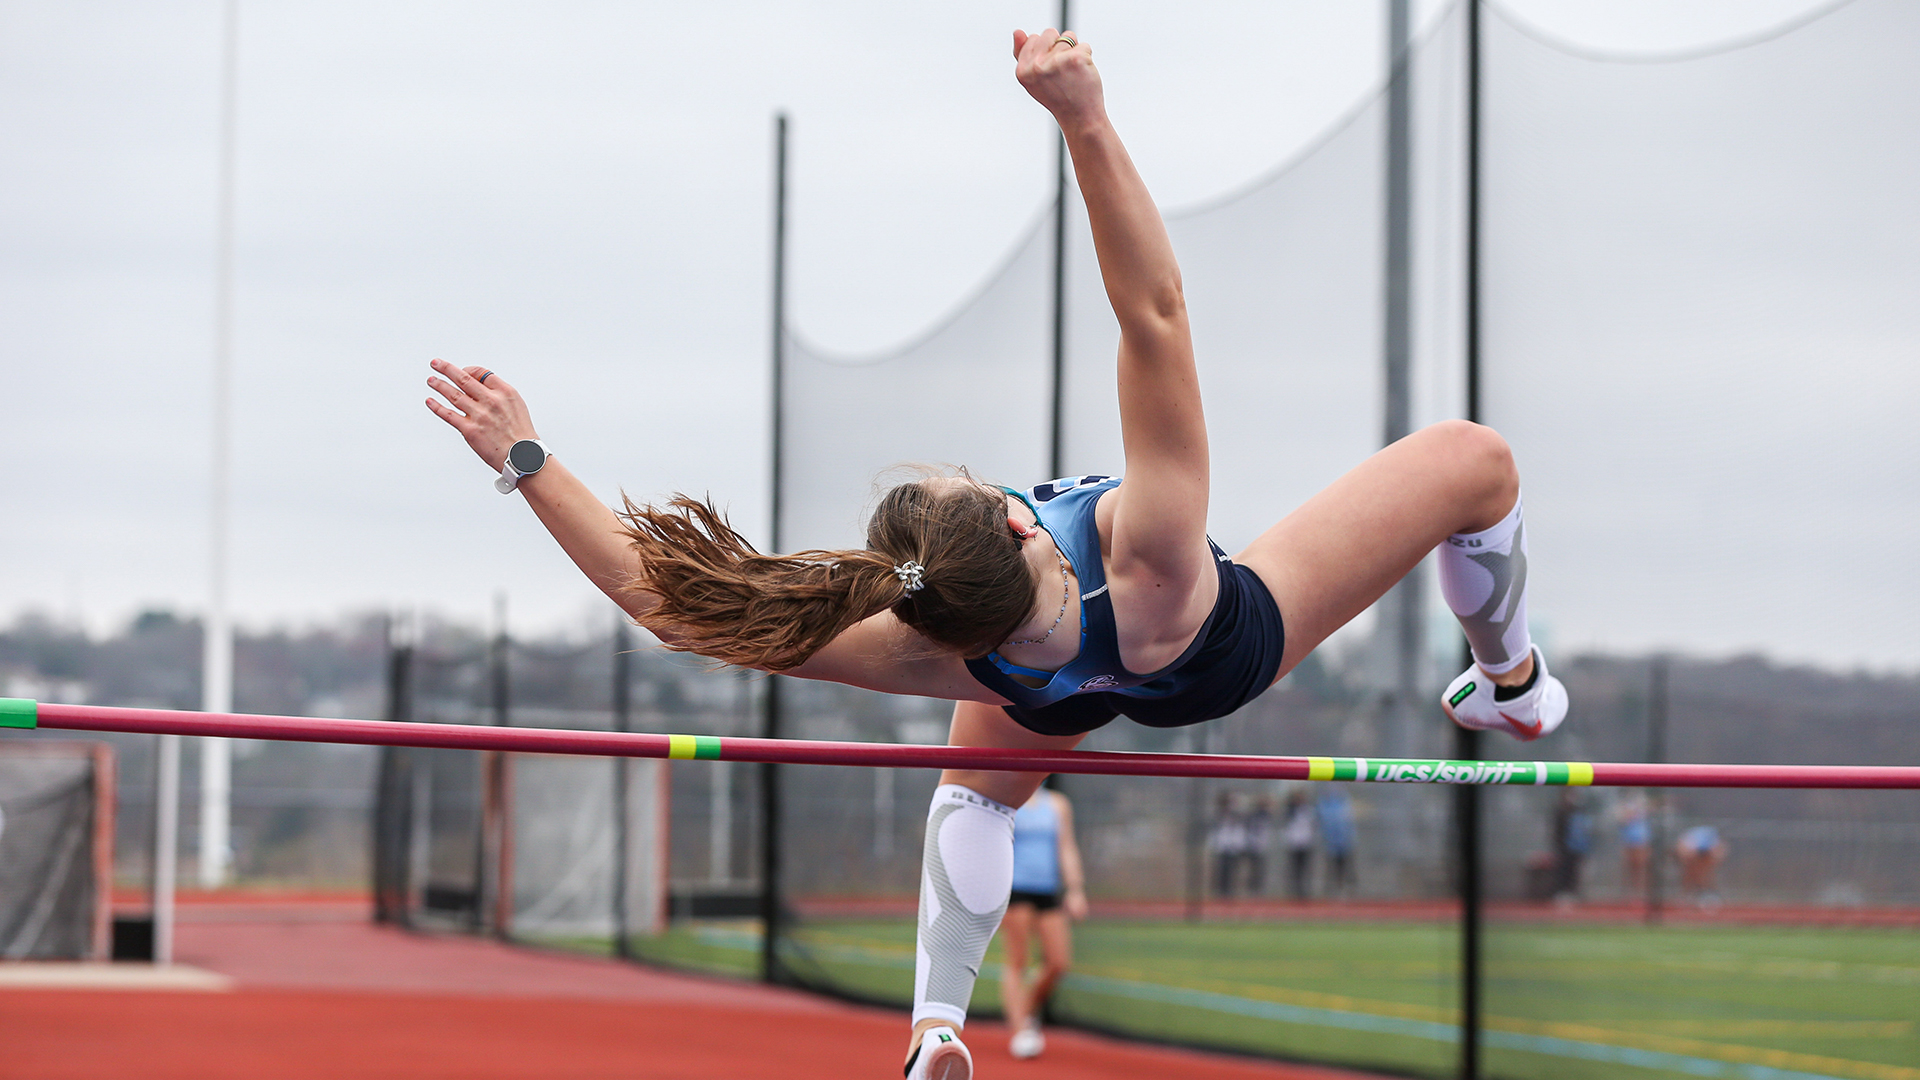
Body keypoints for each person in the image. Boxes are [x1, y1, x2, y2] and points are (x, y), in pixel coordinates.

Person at [424, 28, 1567, 1080]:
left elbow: (665, 605)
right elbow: (1155, 313)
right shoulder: (1147, 549)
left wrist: (527, 458)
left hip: (1039, 694)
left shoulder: (931, 649)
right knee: (1473, 462)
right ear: (1020, 517)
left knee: (974, 797)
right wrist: (1086, 122)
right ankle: (1512, 686)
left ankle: (936, 1023)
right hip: (1215, 652)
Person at [1000, 783, 1087, 1060]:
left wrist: (1075, 889)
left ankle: (1024, 1015)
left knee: (1058, 963)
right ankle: (1020, 1030)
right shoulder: (1009, 797)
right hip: (1016, 888)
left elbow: (1067, 847)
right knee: (1018, 961)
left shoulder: (1058, 804)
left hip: (1048, 891)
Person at [1207, 792, 1250, 898]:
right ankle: (1220, 891)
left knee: (1234, 869)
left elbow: (1242, 828)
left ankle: (1232, 891)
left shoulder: (1239, 814)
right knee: (1222, 869)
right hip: (1223, 845)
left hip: (1235, 845)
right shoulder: (1220, 813)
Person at [1674, 824, 1728, 909]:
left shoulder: (1713, 844)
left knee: (1706, 875)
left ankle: (1709, 896)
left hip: (1705, 853)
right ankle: (1686, 897)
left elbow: (1719, 854)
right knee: (1691, 874)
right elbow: (1683, 854)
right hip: (1690, 853)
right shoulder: (1688, 843)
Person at [1316, 787, 1356, 899]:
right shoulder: (1324, 804)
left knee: (1345, 867)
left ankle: (1346, 889)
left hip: (1344, 842)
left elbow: (1348, 823)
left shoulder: (1345, 803)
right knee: (1330, 868)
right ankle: (1330, 890)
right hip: (1330, 843)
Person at [1281, 789, 1315, 901]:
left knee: (1305, 869)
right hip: (1294, 843)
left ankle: (1304, 891)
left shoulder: (1308, 810)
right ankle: (1293, 891)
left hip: (1305, 843)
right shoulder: (1290, 811)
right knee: (1294, 869)